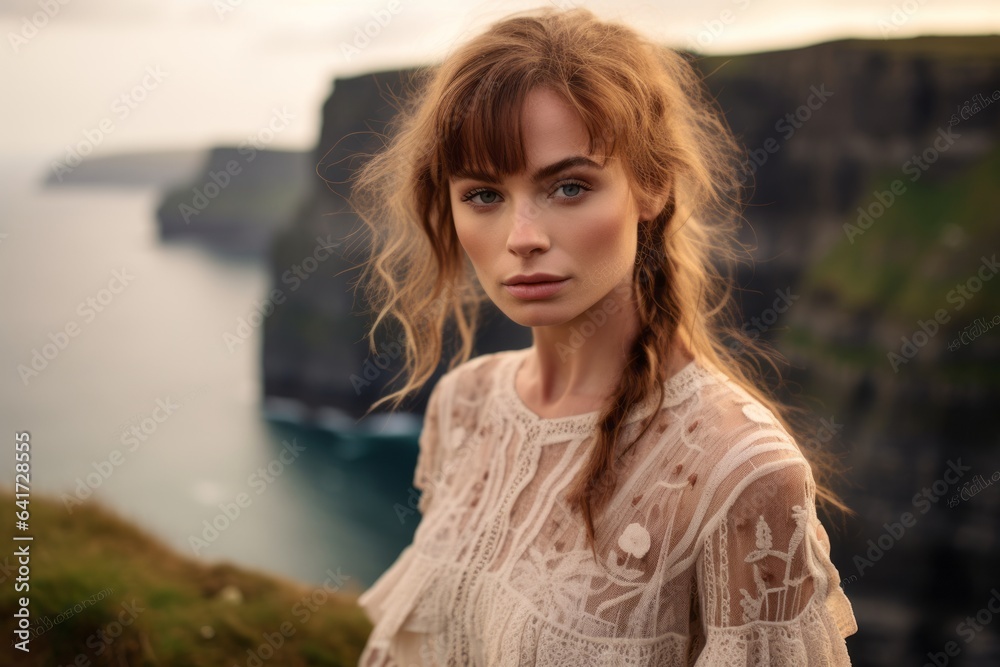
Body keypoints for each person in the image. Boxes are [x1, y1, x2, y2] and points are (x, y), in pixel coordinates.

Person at [348, 6, 858, 665]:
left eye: (567, 186)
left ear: (651, 185)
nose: (522, 237)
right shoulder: (465, 403)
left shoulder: (744, 473)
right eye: (483, 194)